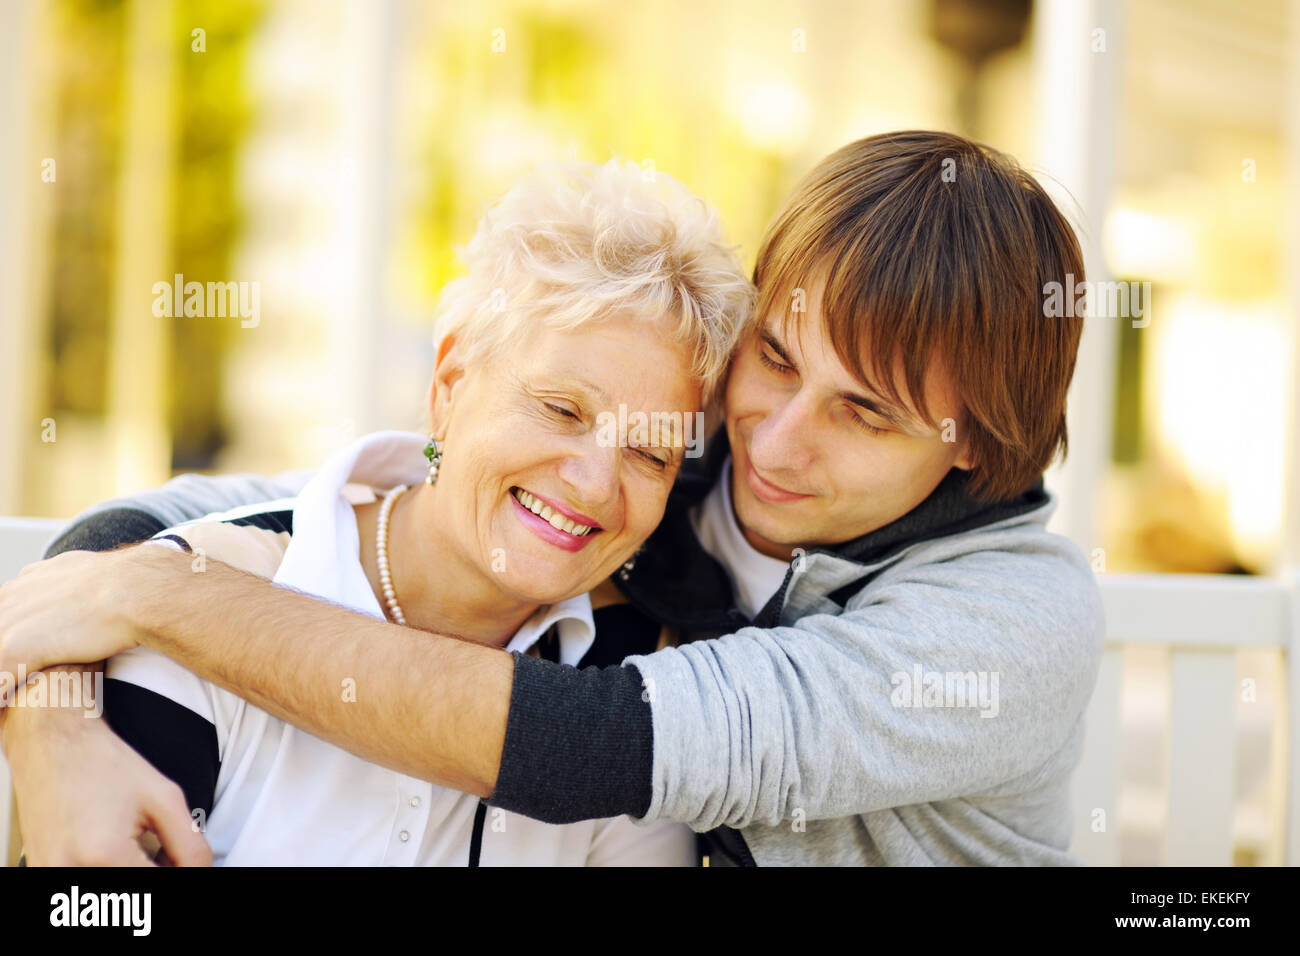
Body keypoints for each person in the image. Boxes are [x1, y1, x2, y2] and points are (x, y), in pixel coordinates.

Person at [0, 130, 1105, 867]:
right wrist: (54, 721)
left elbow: (591, 746)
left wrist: (158, 595)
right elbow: (224, 516)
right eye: (772, 356)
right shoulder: (674, 462)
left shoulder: (1009, 623)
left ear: (973, 442)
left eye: (864, 412)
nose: (776, 432)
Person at [3, 158, 754, 866]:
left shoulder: (633, 675)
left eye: (650, 453)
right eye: (561, 410)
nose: (594, 485)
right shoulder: (189, 598)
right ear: (451, 385)